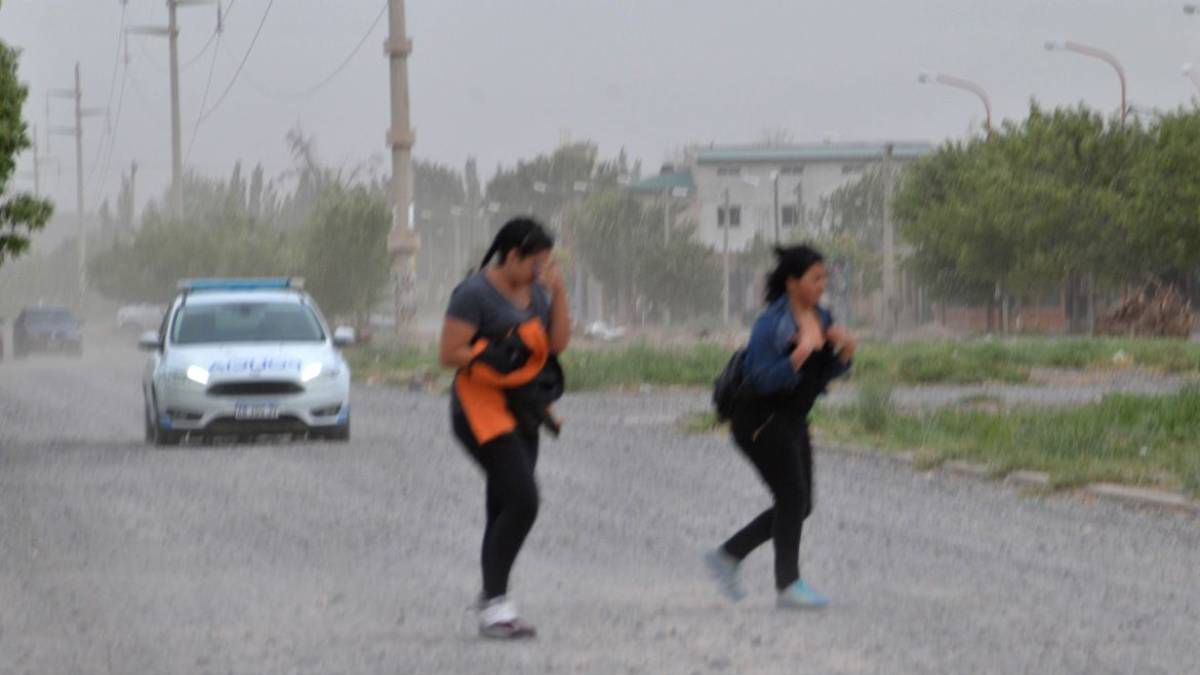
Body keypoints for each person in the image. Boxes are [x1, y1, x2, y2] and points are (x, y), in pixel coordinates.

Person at [439, 217, 571, 640]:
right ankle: (495, 603)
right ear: (513, 256)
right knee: (523, 500)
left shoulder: (537, 292)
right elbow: (449, 352)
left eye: (546, 263)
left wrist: (559, 293)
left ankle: (493, 602)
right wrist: (490, 353)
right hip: (479, 408)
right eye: (536, 262)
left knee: (502, 505)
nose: (541, 270)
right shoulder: (473, 293)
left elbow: (557, 344)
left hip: (523, 407)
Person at [704, 244, 857, 610]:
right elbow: (761, 379)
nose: (822, 284)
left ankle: (728, 556)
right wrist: (801, 351)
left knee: (801, 504)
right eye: (815, 278)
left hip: (791, 419)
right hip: (757, 420)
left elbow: (822, 373)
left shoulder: (821, 316)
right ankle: (787, 585)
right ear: (792, 282)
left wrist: (846, 352)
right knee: (792, 498)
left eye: (824, 278)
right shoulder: (771, 324)